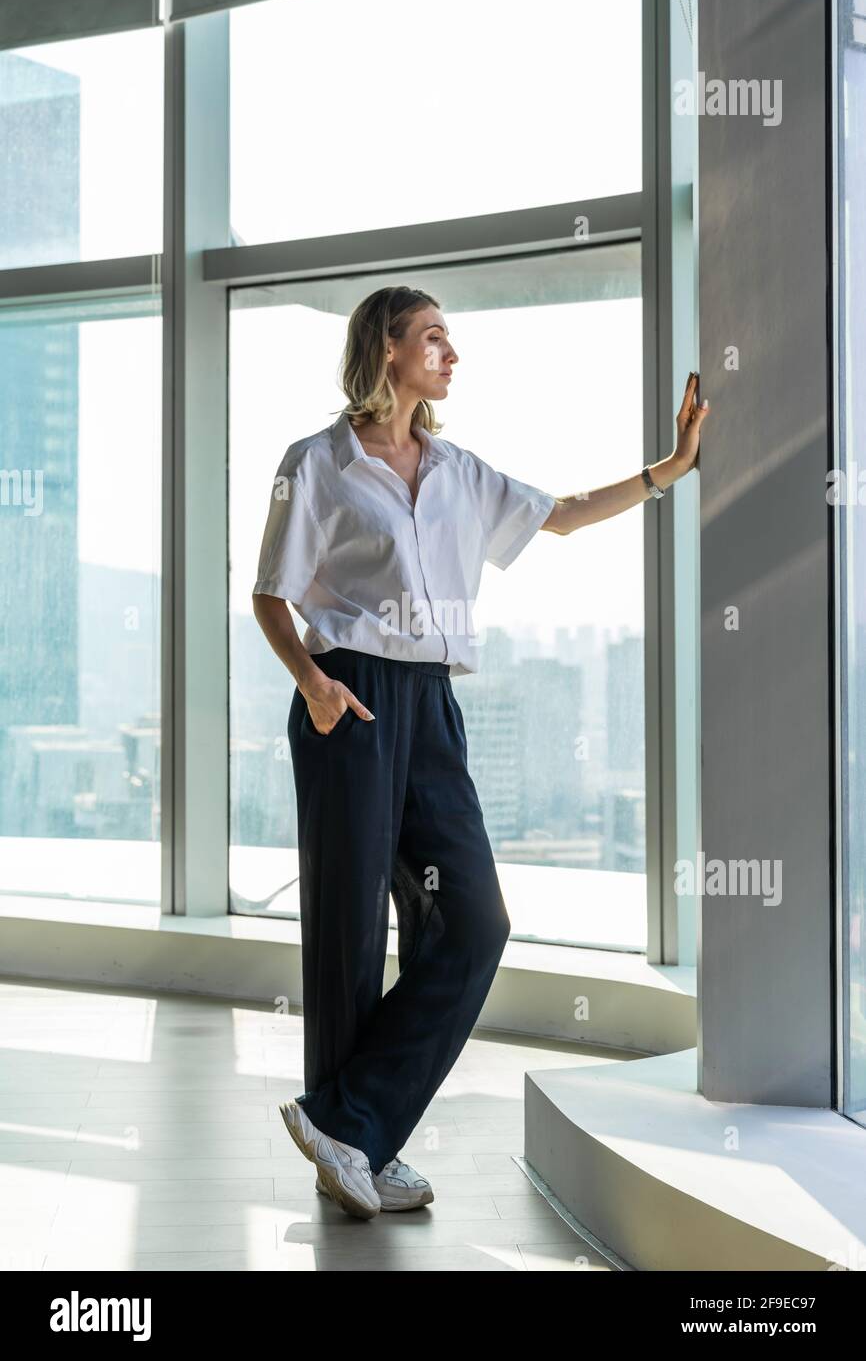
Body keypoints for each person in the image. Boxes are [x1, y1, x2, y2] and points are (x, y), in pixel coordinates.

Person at [252, 285, 709, 1219]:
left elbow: (567, 512)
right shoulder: (317, 463)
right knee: (347, 937)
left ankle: (353, 1123)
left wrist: (670, 467)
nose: (451, 354)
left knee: (472, 919)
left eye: (450, 339)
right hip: (349, 697)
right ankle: (358, 1155)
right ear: (387, 349)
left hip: (432, 705)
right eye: (433, 338)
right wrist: (314, 684)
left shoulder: (457, 471)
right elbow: (270, 593)